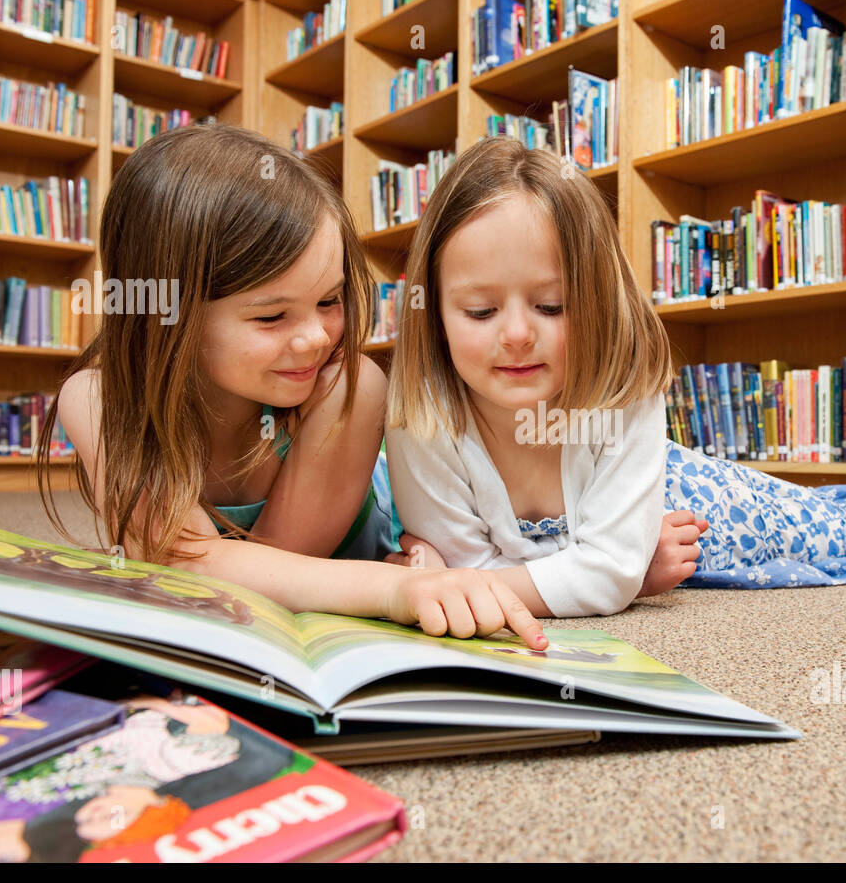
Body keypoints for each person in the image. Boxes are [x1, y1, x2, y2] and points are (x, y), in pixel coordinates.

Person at [384, 136, 846, 619]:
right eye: (480, 310)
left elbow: (489, 580)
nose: (517, 333)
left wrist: (604, 573)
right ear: (432, 311)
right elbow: (491, 578)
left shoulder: (622, 386)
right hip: (648, 538)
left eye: (551, 304)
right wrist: (595, 570)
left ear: (597, 303)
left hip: (688, 501)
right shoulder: (419, 414)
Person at [36, 124, 547, 647]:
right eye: (272, 315)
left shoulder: (347, 389)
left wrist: (406, 582)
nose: (314, 339)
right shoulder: (99, 400)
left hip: (410, 535)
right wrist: (396, 588)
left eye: (329, 301)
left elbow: (264, 575)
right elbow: (193, 567)